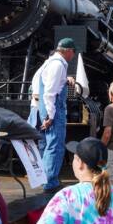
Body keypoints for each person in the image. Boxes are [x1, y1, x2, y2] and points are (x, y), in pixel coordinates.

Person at [35, 38, 77, 192]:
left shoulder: (50, 63)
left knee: (47, 145)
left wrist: (65, 80)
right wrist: (51, 117)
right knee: (55, 145)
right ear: (66, 51)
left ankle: (45, 178)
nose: (73, 55)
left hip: (48, 108)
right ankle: (50, 182)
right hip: (53, 109)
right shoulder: (58, 65)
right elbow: (50, 93)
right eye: (73, 51)